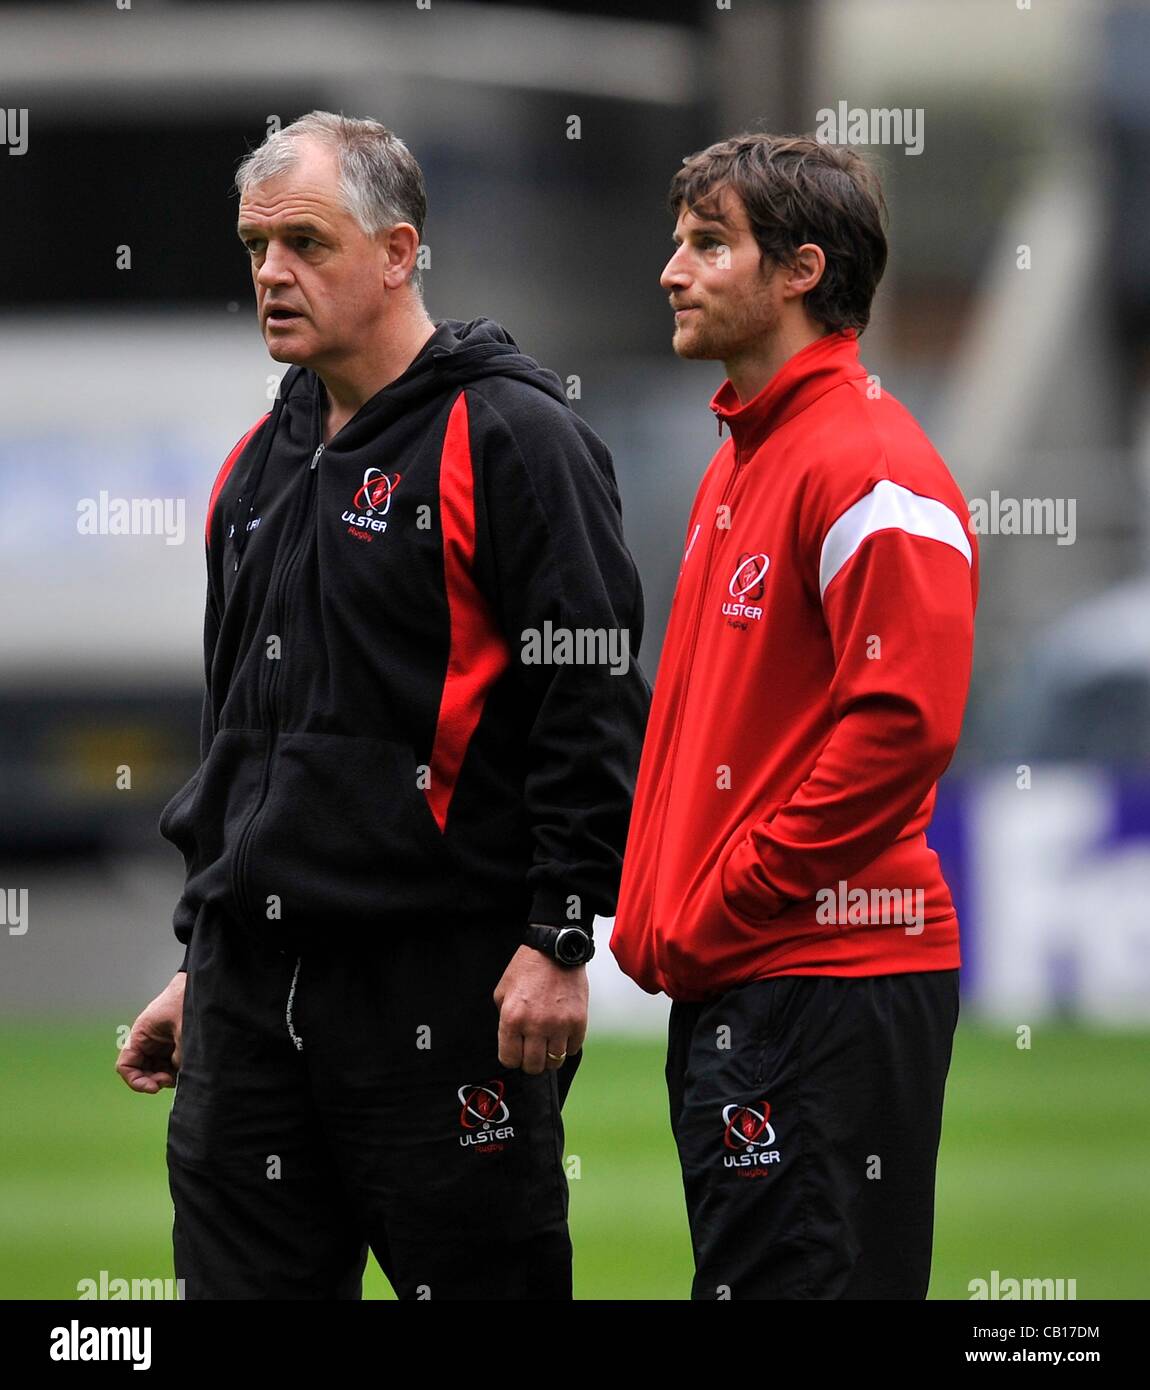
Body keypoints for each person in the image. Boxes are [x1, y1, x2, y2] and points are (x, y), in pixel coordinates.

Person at [114, 110, 650, 1301]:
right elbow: (241, 738)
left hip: (441, 994)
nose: (271, 274)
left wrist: (563, 935)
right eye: (256, 247)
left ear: (400, 250)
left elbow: (593, 695)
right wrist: (203, 955)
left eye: (306, 242)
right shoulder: (256, 461)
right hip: (250, 1000)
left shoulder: (514, 435)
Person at [611, 132, 979, 1300]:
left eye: (707, 243)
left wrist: (733, 896)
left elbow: (901, 727)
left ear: (799, 271)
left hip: (821, 977)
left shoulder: (868, 464)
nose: (671, 269)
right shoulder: (743, 460)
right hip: (759, 979)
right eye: (678, 241)